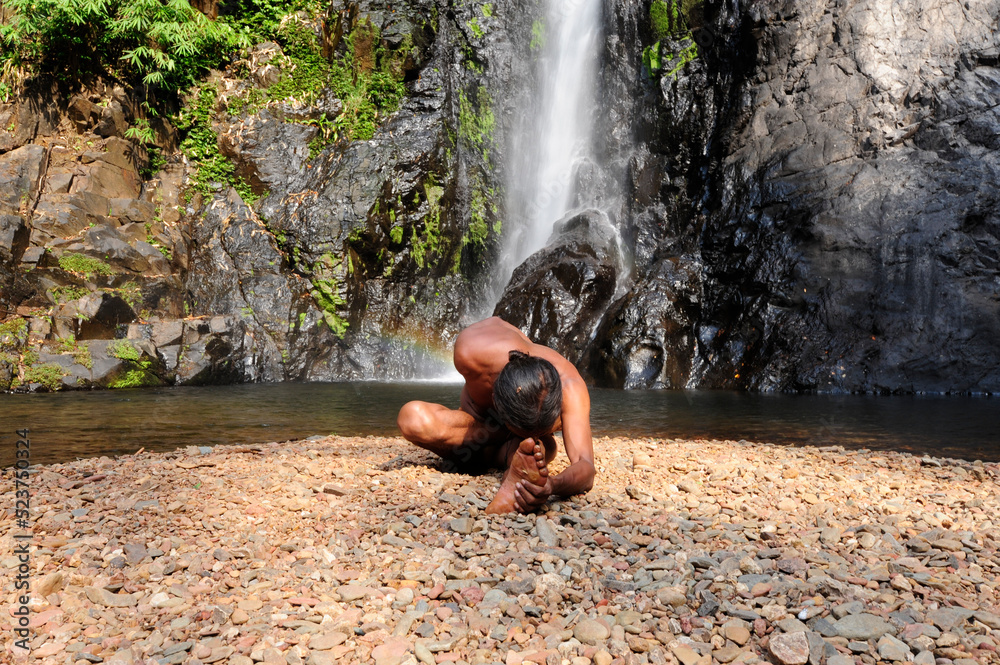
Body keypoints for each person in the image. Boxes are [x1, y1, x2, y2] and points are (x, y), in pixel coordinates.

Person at [397, 317, 596, 514]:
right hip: (474, 433)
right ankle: (518, 466)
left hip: (513, 448)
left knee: (536, 447)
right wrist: (504, 432)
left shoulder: (571, 388)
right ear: (495, 398)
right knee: (413, 419)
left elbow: (586, 467)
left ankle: (520, 468)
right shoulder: (473, 350)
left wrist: (552, 485)